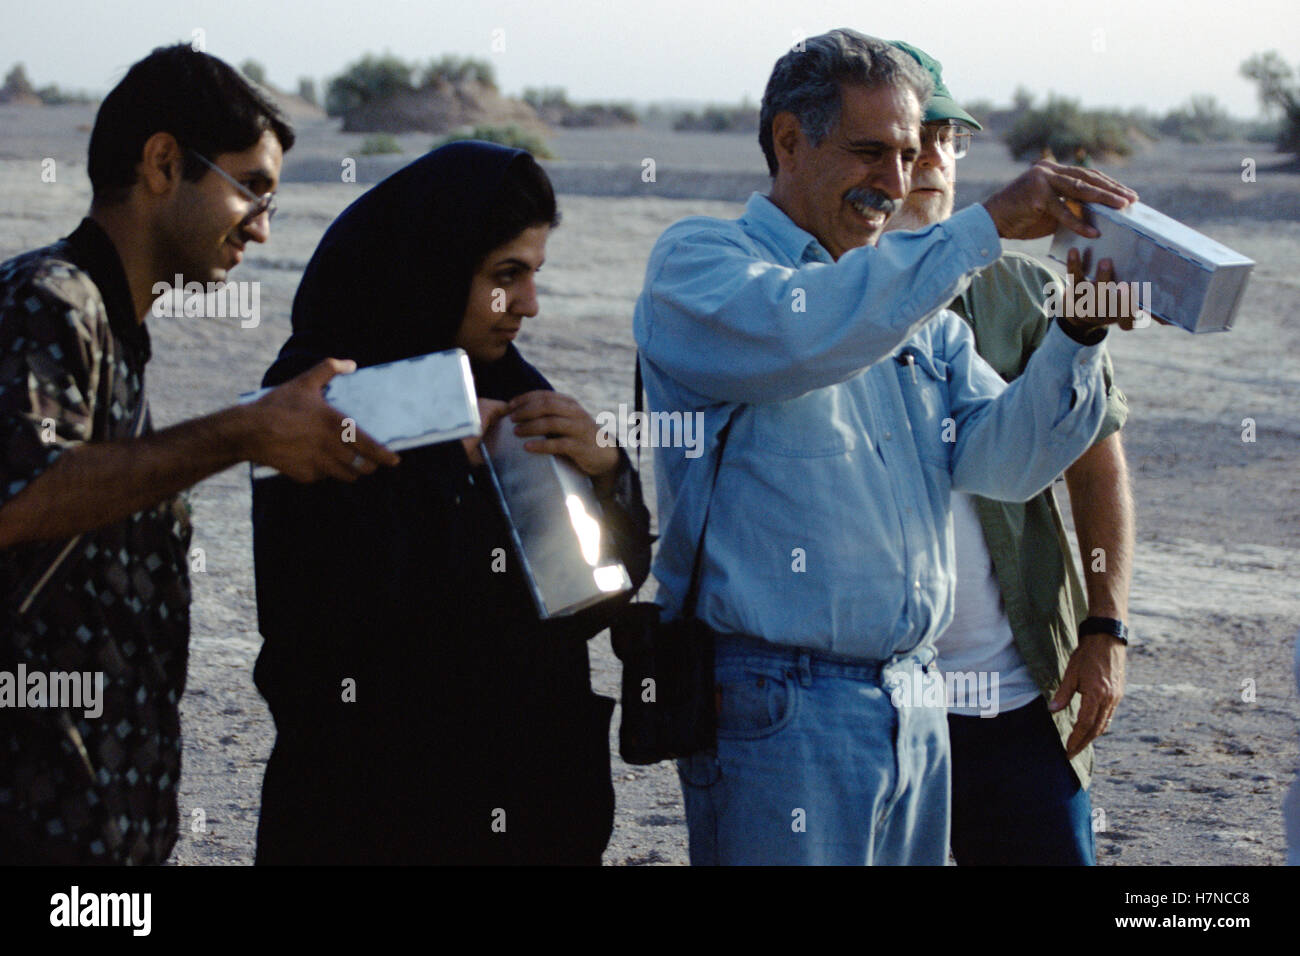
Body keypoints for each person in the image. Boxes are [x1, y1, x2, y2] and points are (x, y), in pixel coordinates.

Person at [633, 28, 1139, 865]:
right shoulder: (701, 264)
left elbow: (1004, 464)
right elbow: (805, 334)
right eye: (871, 152)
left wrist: (1077, 335)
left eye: (910, 154)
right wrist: (980, 231)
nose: (897, 182)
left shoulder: (918, 315)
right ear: (789, 142)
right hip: (776, 707)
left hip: (913, 701)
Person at [0, 45, 395, 865]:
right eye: (251, 186)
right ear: (163, 162)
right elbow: (22, 497)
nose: (262, 222)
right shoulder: (46, 301)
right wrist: (242, 433)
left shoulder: (115, 331)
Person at [251, 141, 652, 865]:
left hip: (532, 815)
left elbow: (590, 599)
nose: (527, 304)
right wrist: (438, 463)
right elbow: (322, 625)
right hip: (374, 818)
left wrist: (605, 473)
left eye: (533, 276)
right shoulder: (317, 401)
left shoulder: (514, 389)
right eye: (506, 276)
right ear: (432, 269)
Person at [884, 41, 1134, 865]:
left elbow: (1094, 464)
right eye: (904, 140)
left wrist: (1104, 626)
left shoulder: (1025, 295)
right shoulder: (810, 307)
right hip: (871, 701)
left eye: (945, 140)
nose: (927, 161)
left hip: (1017, 689)